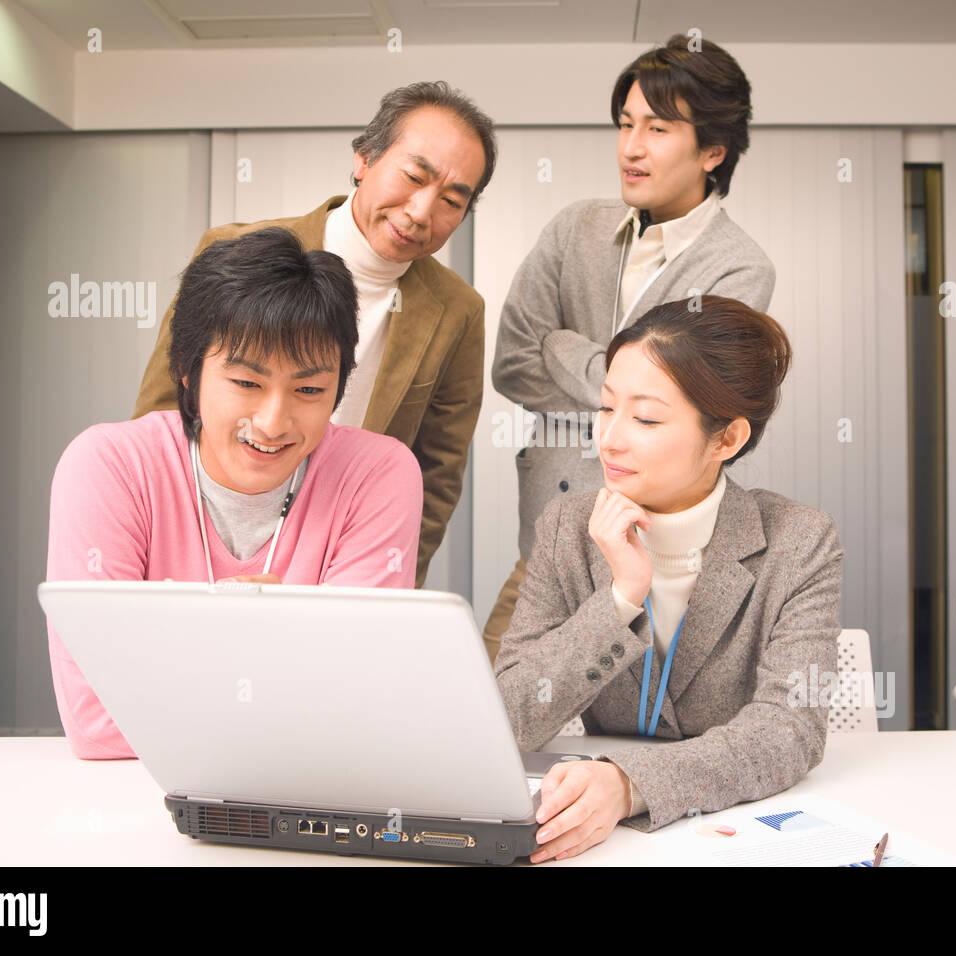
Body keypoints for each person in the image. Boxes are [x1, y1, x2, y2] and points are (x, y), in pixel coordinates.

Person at [46, 228, 423, 759]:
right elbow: (96, 722)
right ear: (187, 370)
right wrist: (273, 657)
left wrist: (179, 659)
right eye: (246, 383)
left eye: (309, 390)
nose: (273, 422)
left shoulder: (377, 476)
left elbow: (353, 711)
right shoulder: (109, 467)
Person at [494, 296, 843, 862]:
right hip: (605, 847)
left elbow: (789, 730)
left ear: (726, 439)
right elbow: (507, 717)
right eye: (607, 408)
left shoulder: (799, 541)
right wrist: (619, 598)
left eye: (646, 418)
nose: (609, 439)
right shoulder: (568, 526)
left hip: (737, 833)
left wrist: (629, 782)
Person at [133, 81, 494, 588]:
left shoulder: (459, 311)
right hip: (206, 542)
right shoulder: (234, 250)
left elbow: (437, 475)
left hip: (341, 552)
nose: (420, 212)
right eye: (414, 176)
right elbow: (163, 410)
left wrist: (384, 587)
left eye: (452, 201)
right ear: (364, 158)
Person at [485, 34, 776, 662]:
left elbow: (692, 402)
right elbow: (511, 363)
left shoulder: (740, 269)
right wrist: (638, 398)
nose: (631, 148)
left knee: (646, 735)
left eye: (659, 128)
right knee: (492, 722)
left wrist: (564, 347)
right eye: (625, 124)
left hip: (668, 560)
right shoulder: (573, 229)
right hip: (546, 556)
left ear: (713, 151)